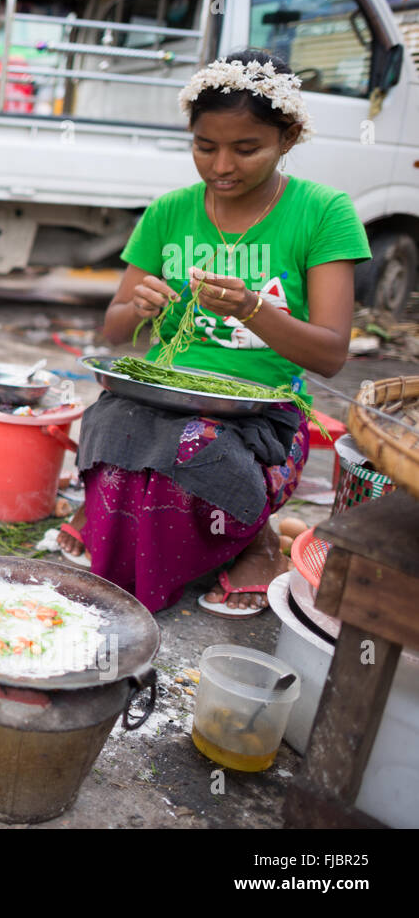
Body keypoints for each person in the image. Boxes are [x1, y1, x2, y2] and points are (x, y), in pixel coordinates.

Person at [57, 50, 370, 618]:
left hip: (261, 413)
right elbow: (114, 330)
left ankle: (249, 537)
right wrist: (138, 307)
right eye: (205, 146)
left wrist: (254, 309)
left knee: (197, 446)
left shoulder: (323, 213)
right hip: (163, 392)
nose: (222, 166)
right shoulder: (170, 212)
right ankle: (127, 533)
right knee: (106, 420)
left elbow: (330, 354)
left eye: (246, 148)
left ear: (288, 138)